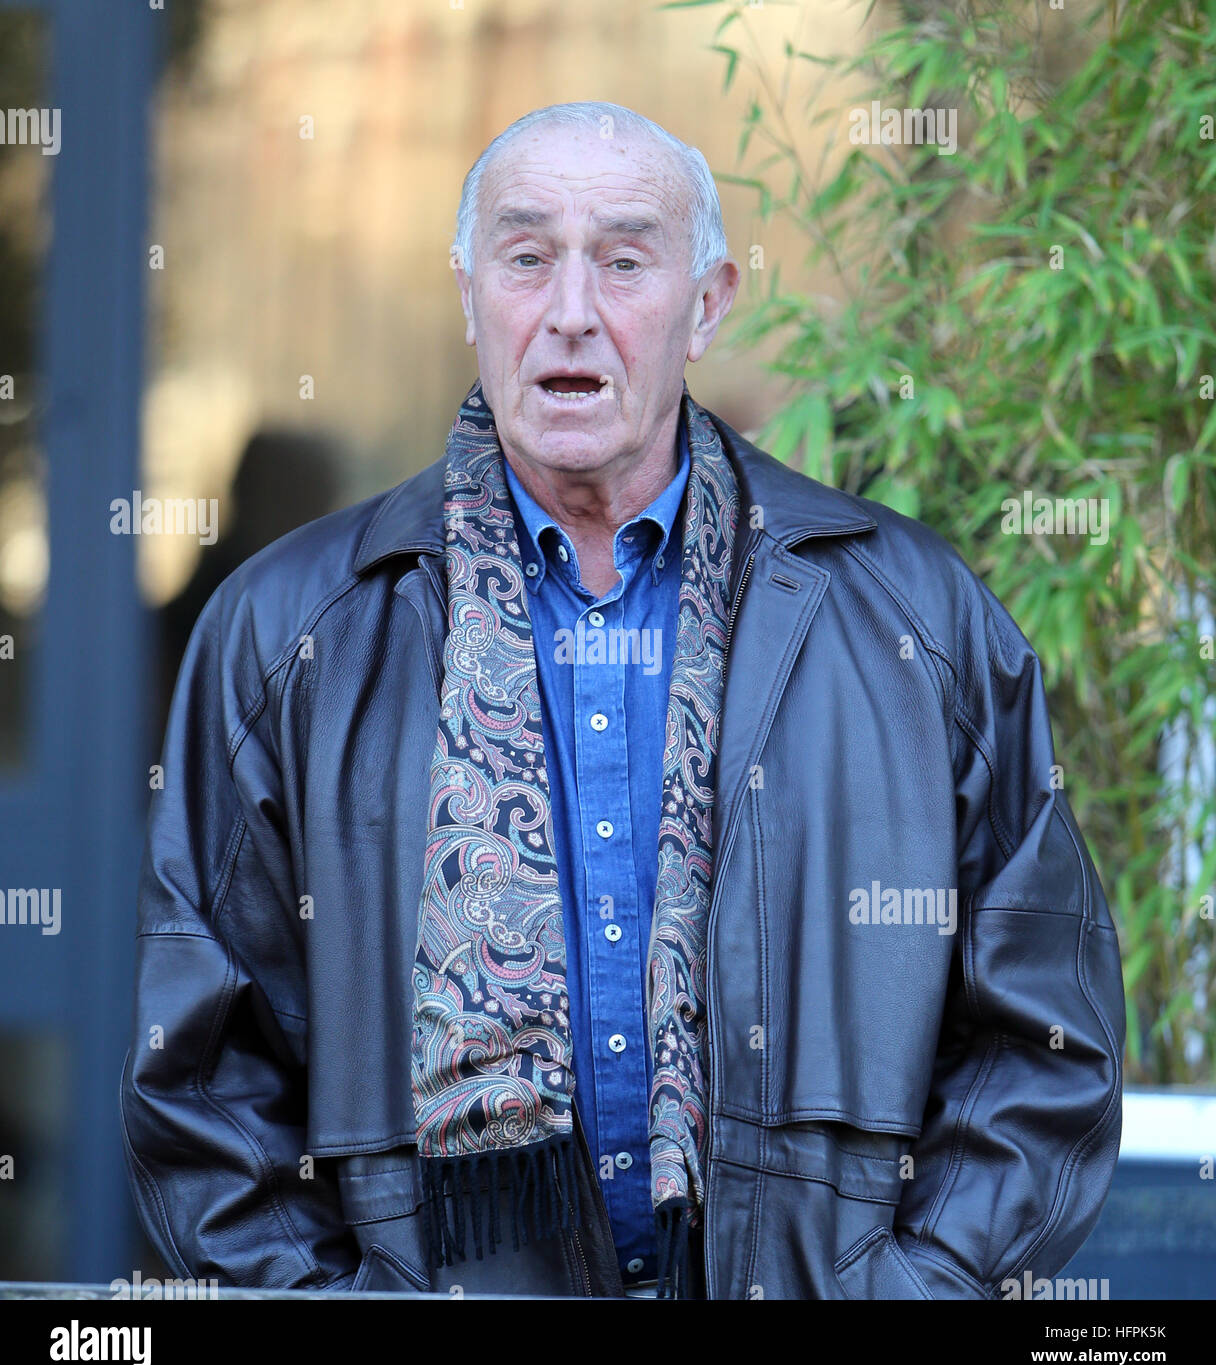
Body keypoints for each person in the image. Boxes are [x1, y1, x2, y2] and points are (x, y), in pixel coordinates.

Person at [120, 101, 1125, 1300]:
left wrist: (914, 1286)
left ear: (707, 303)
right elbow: (201, 1071)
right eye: (527, 256)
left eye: (626, 260)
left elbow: (1045, 1033)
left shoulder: (908, 618)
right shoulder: (292, 633)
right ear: (468, 292)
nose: (571, 311)